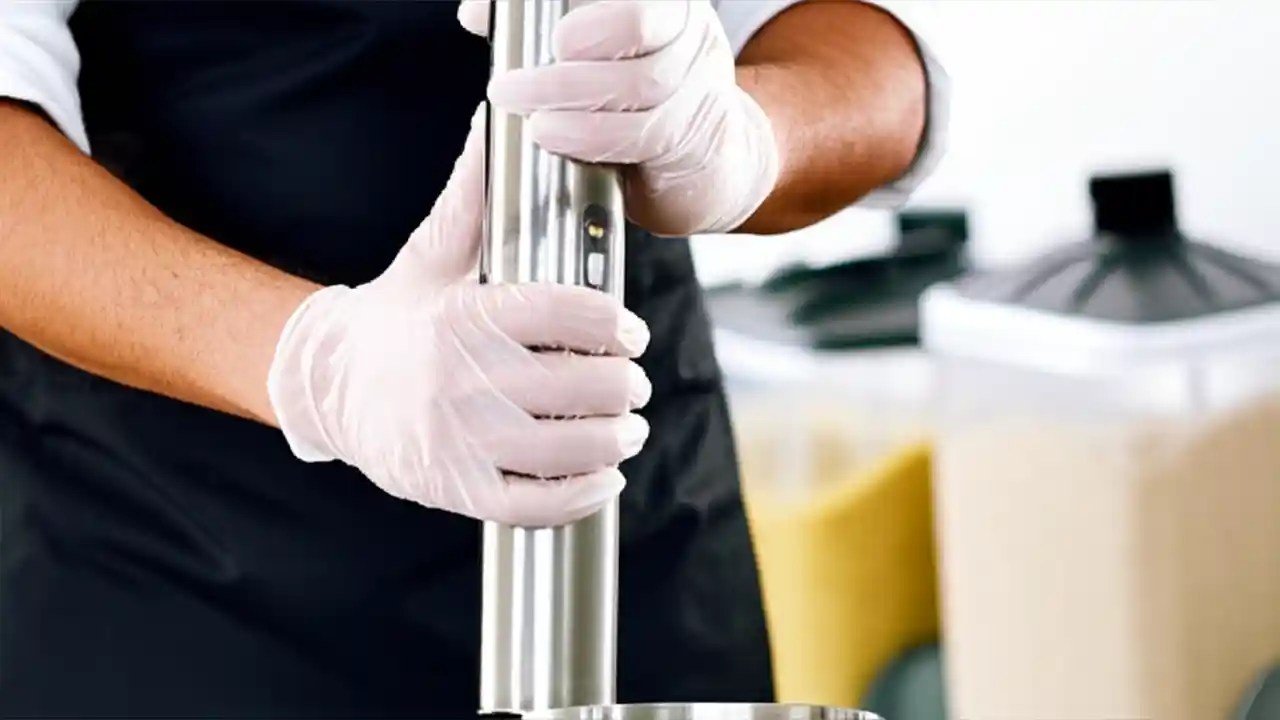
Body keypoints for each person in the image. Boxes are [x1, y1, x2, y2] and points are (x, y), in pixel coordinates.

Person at [0, 0, 946, 715]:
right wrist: (321, 363)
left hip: (634, 559)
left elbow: (877, 50)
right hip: (177, 577)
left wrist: (747, 136)